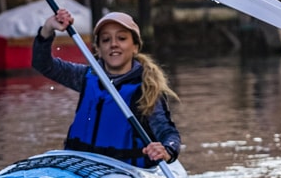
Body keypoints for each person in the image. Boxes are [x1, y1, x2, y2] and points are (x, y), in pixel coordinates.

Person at [33, 10, 181, 168]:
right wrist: (47, 29)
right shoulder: (85, 76)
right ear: (98, 48)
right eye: (106, 39)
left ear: (135, 47)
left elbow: (168, 133)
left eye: (122, 38)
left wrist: (166, 150)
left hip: (126, 172)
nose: (114, 44)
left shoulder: (147, 88)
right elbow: (43, 65)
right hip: (80, 166)